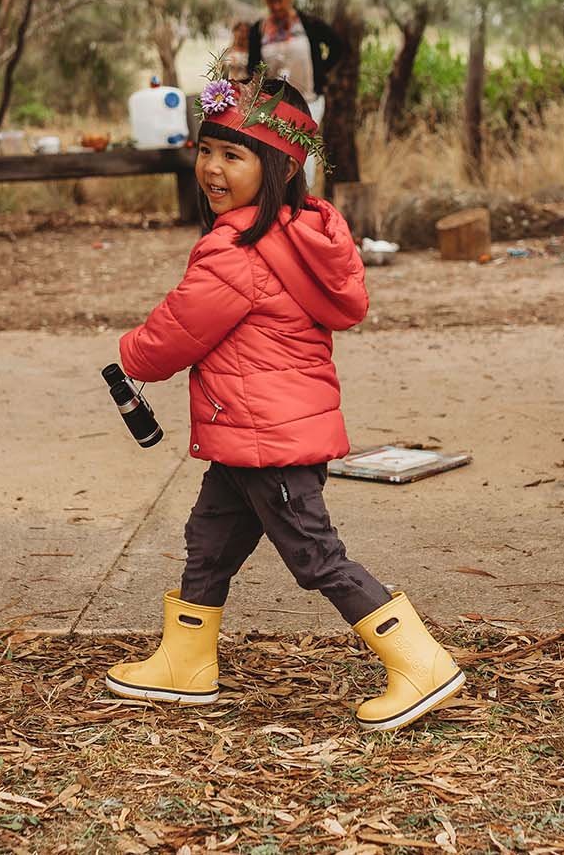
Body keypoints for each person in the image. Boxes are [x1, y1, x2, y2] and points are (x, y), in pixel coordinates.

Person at [104, 75, 464, 733]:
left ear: (276, 167)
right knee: (208, 541)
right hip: (250, 435)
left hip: (267, 440)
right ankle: (185, 663)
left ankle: (421, 661)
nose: (212, 167)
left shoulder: (235, 250)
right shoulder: (297, 235)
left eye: (234, 155)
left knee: (315, 556)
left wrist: (129, 353)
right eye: (206, 148)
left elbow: (174, 333)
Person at [247, 0, 342, 185]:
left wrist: (322, 73)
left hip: (309, 100)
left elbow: (337, 46)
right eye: (272, 1)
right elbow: (253, 67)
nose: (276, 6)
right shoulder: (258, 30)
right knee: (276, 154)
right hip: (273, 103)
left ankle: (302, 201)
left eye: (280, 0)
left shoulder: (308, 24)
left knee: (302, 150)